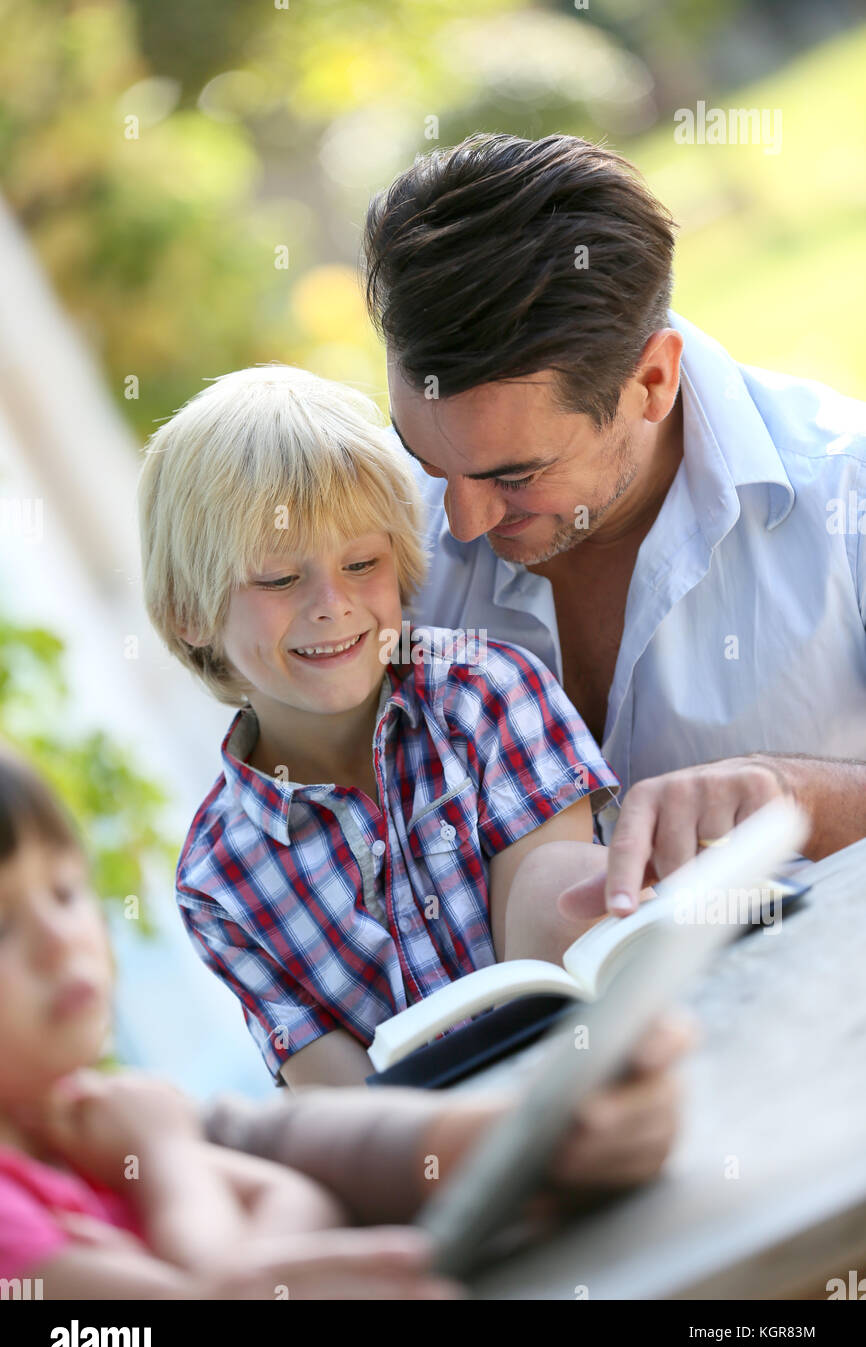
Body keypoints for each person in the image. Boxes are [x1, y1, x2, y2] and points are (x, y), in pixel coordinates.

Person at [362, 131, 866, 925]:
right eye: (419, 452)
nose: (457, 521)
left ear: (653, 382)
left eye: (514, 477)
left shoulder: (848, 491)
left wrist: (797, 797)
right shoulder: (376, 560)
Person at [0, 742, 689, 1299]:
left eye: (64, 891)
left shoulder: (76, 1118)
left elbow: (289, 1168)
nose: (61, 937)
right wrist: (170, 1163)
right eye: (2, 924)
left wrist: (531, 1134)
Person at [137, 364, 660, 1089]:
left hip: (587, 1066)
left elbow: (555, 928)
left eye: (361, 563)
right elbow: (344, 1101)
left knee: (572, 884)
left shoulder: (486, 693)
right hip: (436, 1154)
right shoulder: (218, 878)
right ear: (189, 613)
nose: (332, 604)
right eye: (280, 580)